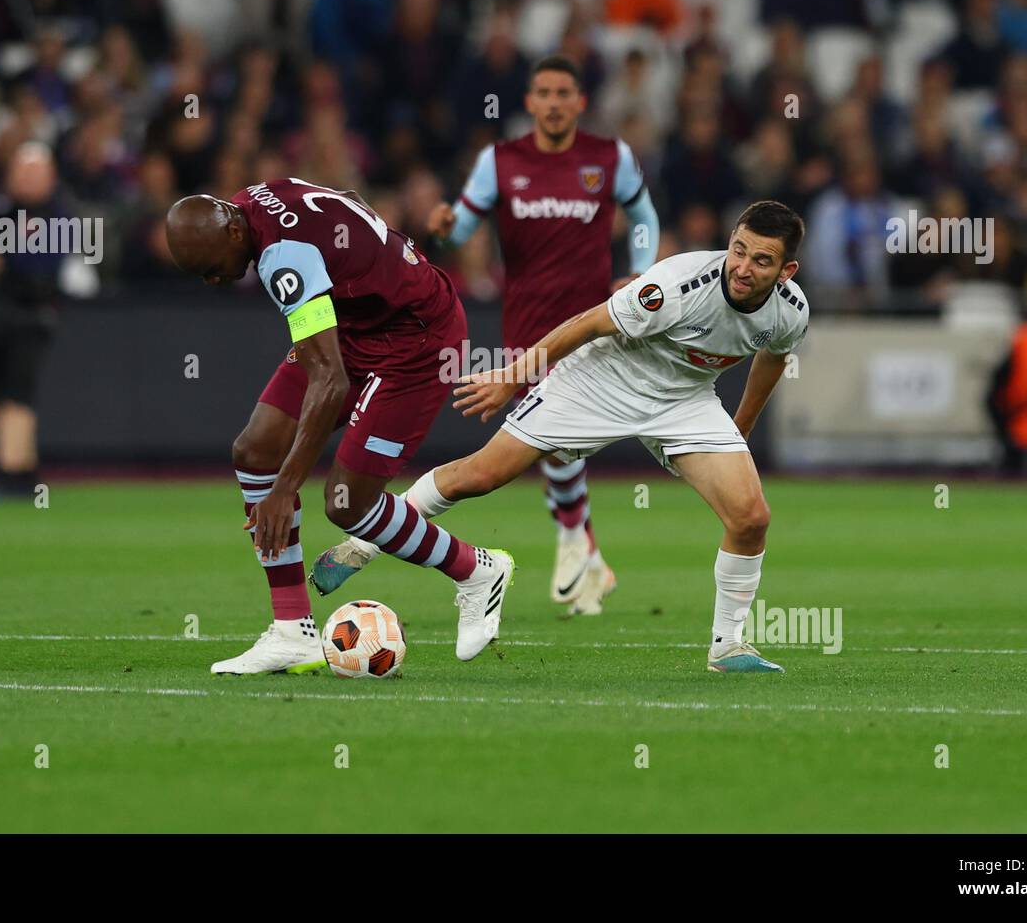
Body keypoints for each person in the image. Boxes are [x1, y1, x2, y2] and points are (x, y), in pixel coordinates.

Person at [318, 201, 809, 673]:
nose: (743, 267)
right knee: (482, 475)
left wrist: (739, 431)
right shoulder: (678, 286)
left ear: (786, 271)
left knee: (751, 518)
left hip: (684, 402)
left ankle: (727, 647)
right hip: (598, 381)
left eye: (761, 260)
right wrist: (514, 375)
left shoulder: (791, 311)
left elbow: (772, 353)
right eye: (738, 250)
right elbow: (589, 322)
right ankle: (366, 544)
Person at [315, 55, 660, 617]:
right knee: (545, 440)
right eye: (543, 92)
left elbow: (642, 213)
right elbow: (467, 221)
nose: (552, 101)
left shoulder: (609, 158)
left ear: (579, 102)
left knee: (545, 437)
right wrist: (452, 224)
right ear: (529, 102)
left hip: (594, 323)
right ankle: (584, 551)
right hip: (526, 326)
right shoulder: (500, 162)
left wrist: (642, 267)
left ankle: (570, 544)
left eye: (563, 92)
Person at [164, 179, 514, 675]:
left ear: (232, 232)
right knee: (255, 448)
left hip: (418, 341)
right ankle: (292, 631)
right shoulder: (255, 198)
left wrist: (285, 489)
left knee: (347, 504)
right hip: (356, 324)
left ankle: (477, 571)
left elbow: (328, 382)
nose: (213, 282)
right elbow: (348, 196)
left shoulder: (281, 256)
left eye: (209, 268)